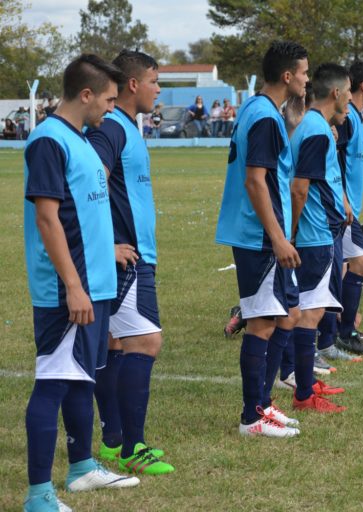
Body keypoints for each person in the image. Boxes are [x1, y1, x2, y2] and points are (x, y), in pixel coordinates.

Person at [22, 53, 139, 512]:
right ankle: (38, 496)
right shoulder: (48, 141)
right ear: (86, 94)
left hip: (96, 283)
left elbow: (83, 213)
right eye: (108, 99)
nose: (112, 107)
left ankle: (82, 468)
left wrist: (106, 251)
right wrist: (73, 285)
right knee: (53, 381)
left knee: (78, 381)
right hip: (69, 289)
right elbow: (48, 219)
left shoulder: (81, 140)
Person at [86, 49, 175, 475]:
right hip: (129, 257)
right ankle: (131, 447)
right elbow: (90, 184)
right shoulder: (112, 129)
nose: (158, 90)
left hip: (133, 255)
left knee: (115, 343)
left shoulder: (125, 127)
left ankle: (113, 441)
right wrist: (107, 245)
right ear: (134, 84)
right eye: (155, 82)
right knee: (146, 341)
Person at [216, 41, 310, 433]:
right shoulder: (265, 118)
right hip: (259, 237)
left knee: (283, 316)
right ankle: (251, 417)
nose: (307, 79)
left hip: (262, 234)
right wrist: (278, 237)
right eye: (303, 72)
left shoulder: (258, 109)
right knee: (262, 323)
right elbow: (255, 182)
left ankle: (263, 404)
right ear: (287, 76)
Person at [289, 62, 351, 413]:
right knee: (309, 314)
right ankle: (303, 394)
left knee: (307, 310)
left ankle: (306, 384)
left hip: (318, 232)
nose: (349, 99)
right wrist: (292, 232)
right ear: (336, 93)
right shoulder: (315, 129)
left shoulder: (315, 126)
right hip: (315, 235)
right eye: (348, 91)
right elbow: (300, 187)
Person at [325, 61, 363, 356]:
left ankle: (340, 327)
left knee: (344, 267)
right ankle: (343, 332)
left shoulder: (355, 118)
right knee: (359, 263)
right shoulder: (346, 119)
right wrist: (344, 200)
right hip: (340, 207)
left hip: (347, 207)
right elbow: (333, 159)